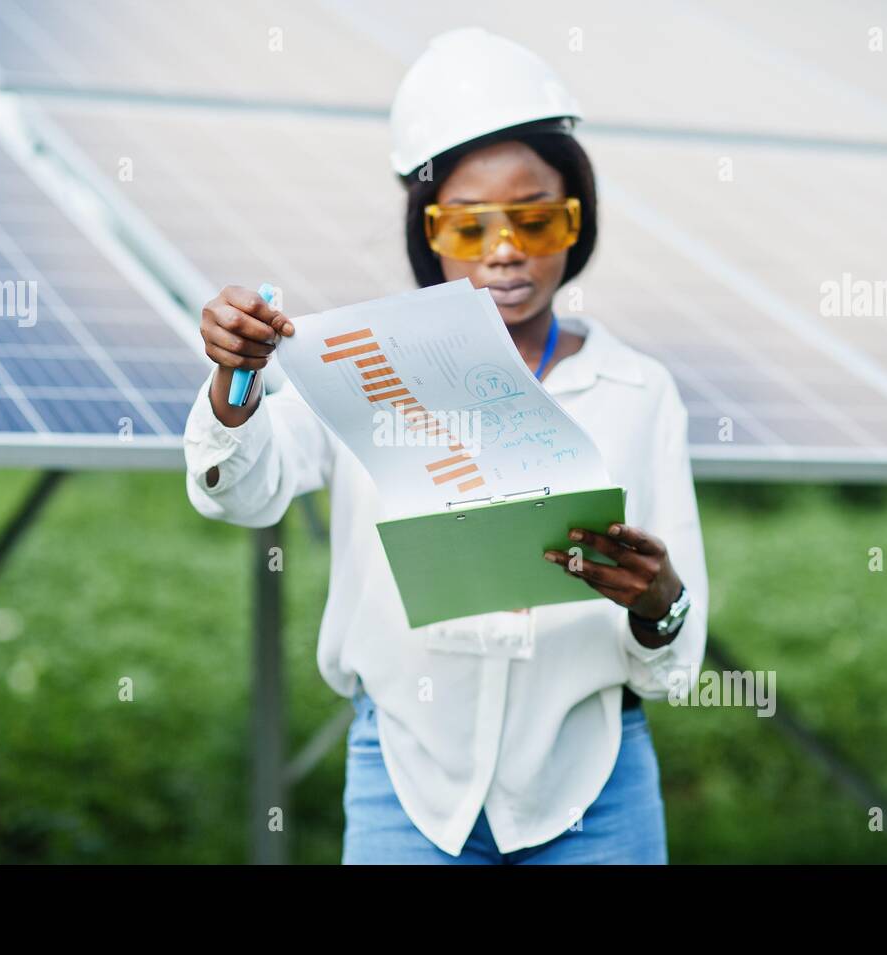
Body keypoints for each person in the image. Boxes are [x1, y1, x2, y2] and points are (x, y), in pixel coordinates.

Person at [184, 27, 708, 864]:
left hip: (591, 790)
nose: (506, 250)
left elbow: (672, 660)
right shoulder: (360, 363)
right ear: (427, 232)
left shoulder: (636, 392)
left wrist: (659, 604)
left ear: (578, 224)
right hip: (405, 780)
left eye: (536, 219)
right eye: (469, 227)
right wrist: (234, 379)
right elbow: (237, 489)